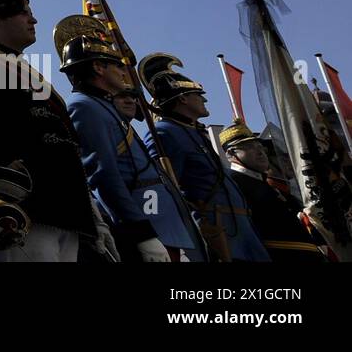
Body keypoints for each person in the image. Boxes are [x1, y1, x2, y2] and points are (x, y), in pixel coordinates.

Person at [0, 0, 98, 262]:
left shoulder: (30, 72)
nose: (34, 21)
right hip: (24, 202)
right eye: (24, 13)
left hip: (65, 202)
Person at [56, 18, 203, 262]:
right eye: (117, 65)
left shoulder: (101, 106)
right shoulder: (85, 107)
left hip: (157, 221)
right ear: (98, 68)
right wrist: (141, 234)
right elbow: (104, 175)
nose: (124, 72)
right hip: (140, 223)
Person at [139, 53, 269, 262]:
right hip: (215, 230)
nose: (204, 99)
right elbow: (161, 188)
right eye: (198, 94)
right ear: (182, 98)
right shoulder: (165, 133)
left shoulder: (194, 131)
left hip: (241, 229)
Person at [219, 121, 328, 262]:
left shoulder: (262, 182)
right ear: (231, 154)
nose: (261, 152)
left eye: (260, 147)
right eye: (250, 147)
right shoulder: (232, 183)